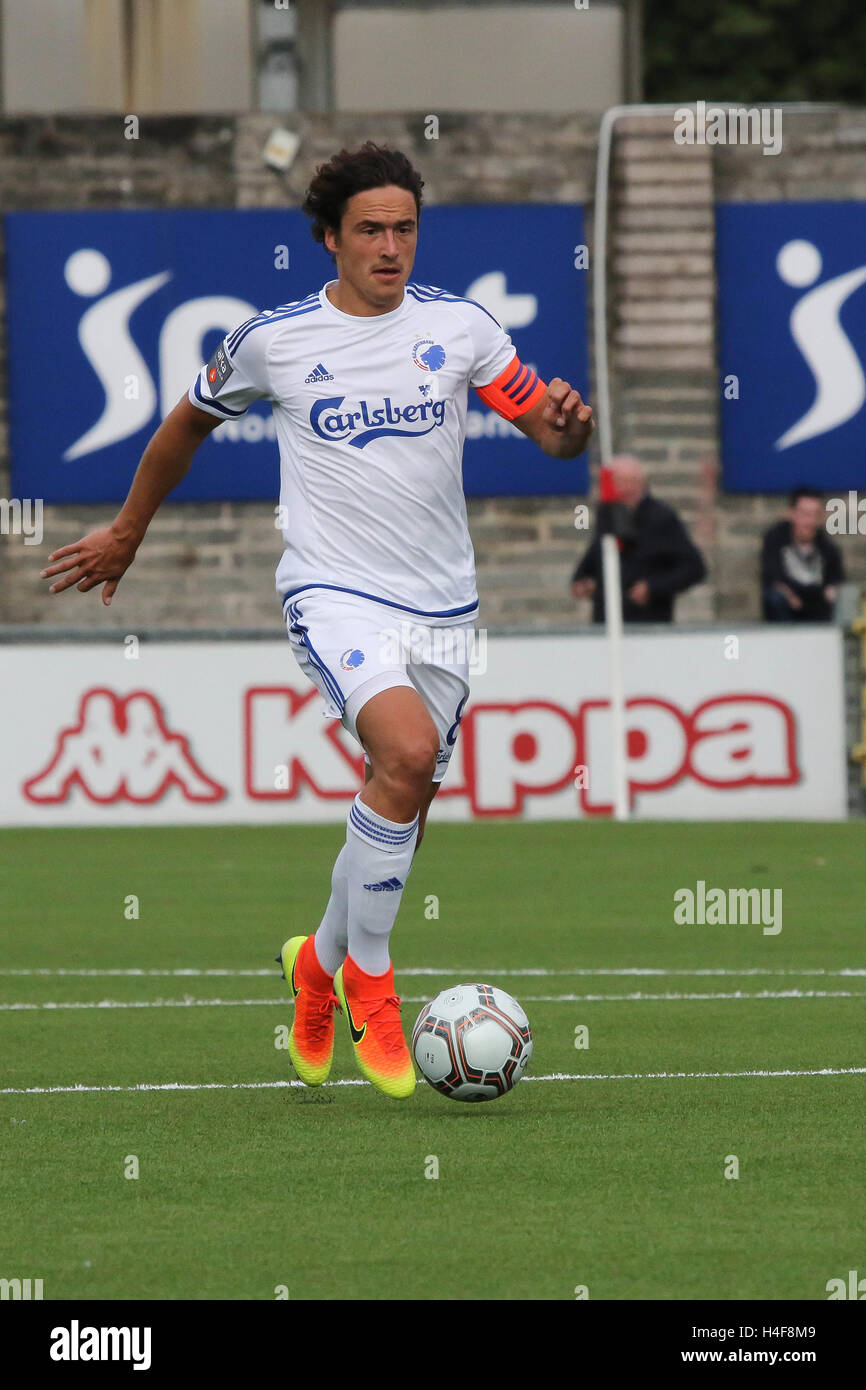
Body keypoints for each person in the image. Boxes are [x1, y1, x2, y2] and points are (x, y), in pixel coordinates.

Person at [40, 142, 594, 1100]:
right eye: (370, 230)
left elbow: (544, 428)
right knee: (408, 757)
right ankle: (369, 981)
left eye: (404, 228)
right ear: (329, 240)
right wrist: (128, 531)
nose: (391, 247)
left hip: (444, 607)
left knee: (404, 807)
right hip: (332, 591)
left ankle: (318, 963)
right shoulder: (273, 340)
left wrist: (570, 429)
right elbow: (183, 425)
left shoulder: (461, 328)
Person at [571, 455, 705, 622]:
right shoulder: (607, 516)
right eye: (619, 482)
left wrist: (652, 588)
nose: (626, 489)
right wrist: (583, 583)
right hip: (606, 622)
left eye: (631, 482)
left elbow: (694, 568)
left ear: (643, 483)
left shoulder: (661, 518)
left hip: (649, 623)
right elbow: (592, 562)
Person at [761, 487, 844, 622]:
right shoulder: (775, 541)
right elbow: (773, 580)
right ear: (791, 513)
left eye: (815, 515)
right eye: (805, 514)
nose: (810, 521)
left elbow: (835, 585)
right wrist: (792, 596)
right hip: (787, 612)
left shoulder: (829, 549)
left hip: (818, 613)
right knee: (775, 598)